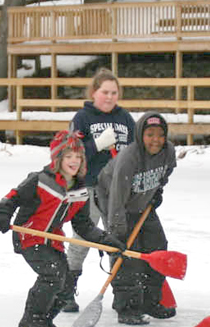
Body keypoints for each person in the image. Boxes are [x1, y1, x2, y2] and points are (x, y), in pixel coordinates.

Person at [0, 130, 123, 327]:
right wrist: (3, 215)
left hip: (53, 240)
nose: (74, 161)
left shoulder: (80, 191)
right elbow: (12, 197)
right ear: (57, 159)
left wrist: (105, 240)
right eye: (68, 156)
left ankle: (44, 322)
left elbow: (84, 226)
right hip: (29, 237)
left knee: (67, 283)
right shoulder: (40, 180)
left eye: (78, 156)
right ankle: (32, 319)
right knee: (53, 274)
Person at [60, 69, 133, 312]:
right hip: (88, 187)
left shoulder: (125, 118)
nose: (110, 97)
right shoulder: (82, 118)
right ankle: (66, 292)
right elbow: (70, 155)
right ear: (94, 93)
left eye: (114, 93)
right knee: (82, 239)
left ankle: (122, 294)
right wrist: (97, 144)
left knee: (117, 240)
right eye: (105, 92)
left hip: (116, 190)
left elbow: (135, 151)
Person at [95, 112, 177, 325]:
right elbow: (116, 197)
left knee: (157, 247)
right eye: (150, 134)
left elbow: (166, 172)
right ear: (141, 136)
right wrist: (117, 231)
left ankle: (150, 301)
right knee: (127, 255)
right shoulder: (129, 158)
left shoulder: (168, 152)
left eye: (160, 135)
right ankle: (127, 308)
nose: (156, 140)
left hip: (142, 203)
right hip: (114, 201)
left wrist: (157, 191)